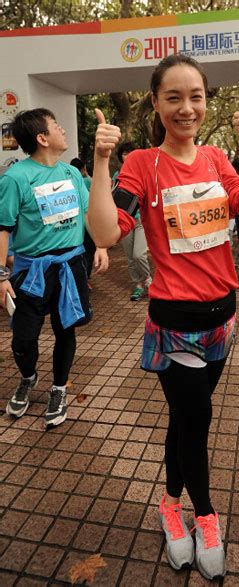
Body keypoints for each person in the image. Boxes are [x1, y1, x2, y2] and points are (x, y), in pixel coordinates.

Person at [88, 54, 239, 580]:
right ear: (156, 103)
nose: (186, 108)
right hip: (175, 324)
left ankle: (169, 502)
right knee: (198, 421)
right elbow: (106, 232)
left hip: (223, 318)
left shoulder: (214, 158)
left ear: (206, 101)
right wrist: (101, 160)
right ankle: (204, 515)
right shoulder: (143, 164)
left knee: (185, 419)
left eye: (196, 97)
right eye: (174, 98)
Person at [0, 108, 108, 428]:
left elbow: (87, 214)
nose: (63, 130)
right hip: (31, 271)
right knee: (23, 339)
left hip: (71, 266)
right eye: (56, 126)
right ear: (42, 138)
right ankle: (28, 377)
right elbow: (3, 229)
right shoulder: (16, 178)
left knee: (65, 330)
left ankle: (59, 388)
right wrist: (2, 275)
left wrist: (101, 245)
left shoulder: (71, 174)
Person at [113, 142, 152, 300]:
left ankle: (148, 280)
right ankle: (138, 285)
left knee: (138, 255)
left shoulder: (143, 172)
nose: (128, 156)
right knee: (130, 257)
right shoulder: (117, 176)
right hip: (124, 222)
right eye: (124, 153)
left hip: (141, 221)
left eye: (131, 152)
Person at [70, 157, 97, 281]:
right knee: (89, 251)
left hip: (76, 223)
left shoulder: (70, 178)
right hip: (86, 222)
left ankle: (83, 279)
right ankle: (85, 278)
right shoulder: (86, 180)